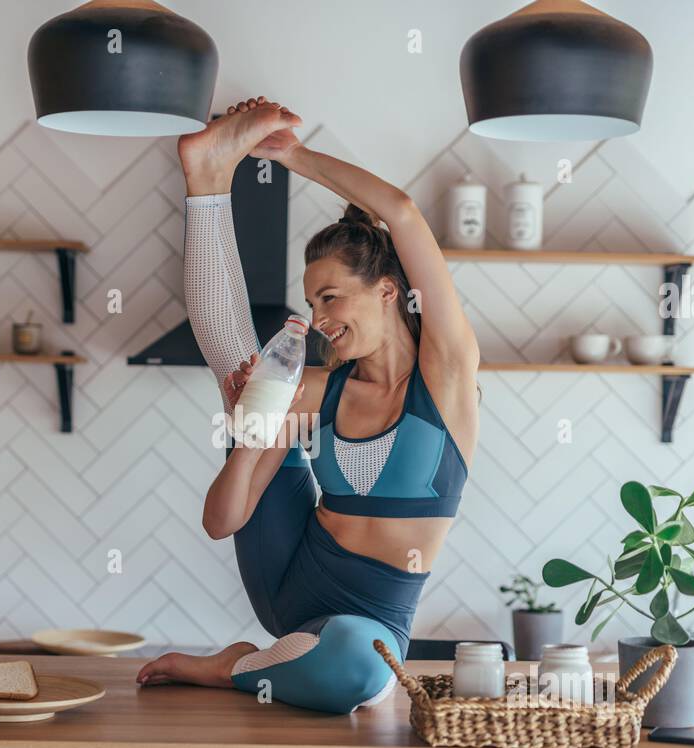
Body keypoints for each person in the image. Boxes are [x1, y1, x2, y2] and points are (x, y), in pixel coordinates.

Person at [136, 97, 481, 713]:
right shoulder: (319, 393)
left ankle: (233, 668)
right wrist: (252, 431)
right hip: (287, 586)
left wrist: (296, 156)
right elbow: (223, 522)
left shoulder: (446, 380)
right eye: (312, 305)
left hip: (372, 625)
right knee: (240, 370)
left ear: (386, 291)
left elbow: (401, 213)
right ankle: (207, 177)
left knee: (359, 662)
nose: (318, 321)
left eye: (330, 298)